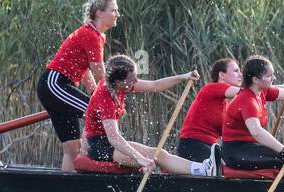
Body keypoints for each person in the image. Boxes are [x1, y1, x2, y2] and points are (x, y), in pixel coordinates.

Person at [83, 55, 213, 176]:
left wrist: (183, 77)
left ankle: (203, 169)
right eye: (132, 79)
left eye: (135, 77)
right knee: (154, 156)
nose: (136, 81)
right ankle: (199, 170)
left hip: (111, 144)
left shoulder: (122, 85)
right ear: (118, 82)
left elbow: (155, 85)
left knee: (158, 153)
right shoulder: (105, 96)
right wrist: (139, 158)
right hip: (101, 148)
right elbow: (114, 138)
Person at [36, 0, 118, 171]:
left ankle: (69, 187)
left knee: (72, 148)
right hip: (55, 84)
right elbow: (101, 74)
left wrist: (97, 94)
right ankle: (105, 162)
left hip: (57, 86)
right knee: (97, 115)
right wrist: (110, 101)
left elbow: (88, 71)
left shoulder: (98, 35)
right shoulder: (90, 35)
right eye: (113, 10)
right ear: (99, 13)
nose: (117, 14)